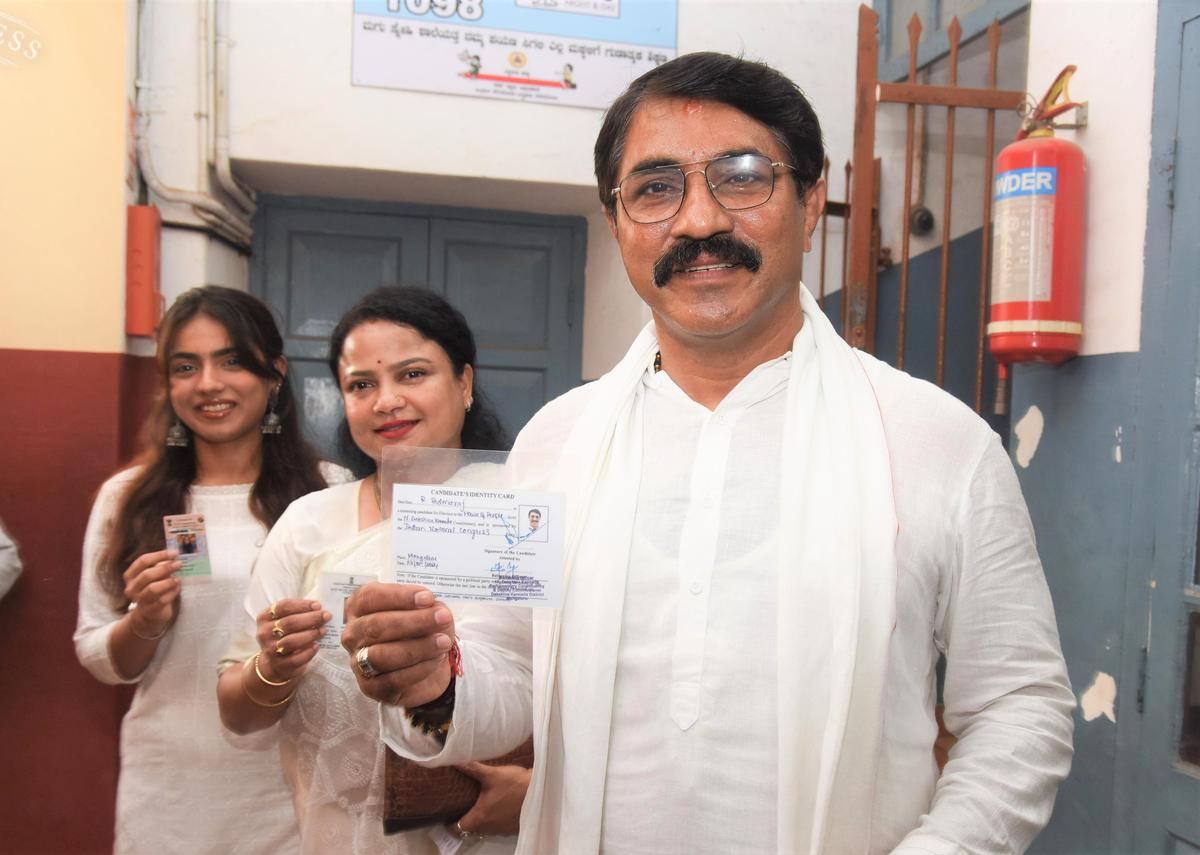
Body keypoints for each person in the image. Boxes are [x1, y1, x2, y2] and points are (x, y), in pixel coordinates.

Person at [344, 52, 1077, 855]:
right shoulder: (557, 439)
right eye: (655, 188)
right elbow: (509, 665)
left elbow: (1019, 704)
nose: (698, 221)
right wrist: (435, 683)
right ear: (617, 221)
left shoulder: (938, 441)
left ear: (811, 200)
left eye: (741, 177)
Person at [216, 286, 527, 853]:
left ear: (464, 383)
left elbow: (572, 684)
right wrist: (274, 667)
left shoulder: (522, 514)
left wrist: (537, 790)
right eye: (361, 385)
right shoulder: (309, 523)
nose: (386, 401)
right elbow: (237, 713)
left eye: (413, 374)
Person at [74, 286, 331, 854]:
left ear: (275, 373)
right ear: (168, 385)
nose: (209, 383)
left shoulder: (329, 494)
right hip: (169, 796)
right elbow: (99, 656)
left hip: (295, 796)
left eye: (231, 361)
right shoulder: (128, 499)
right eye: (186, 367)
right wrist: (143, 622)